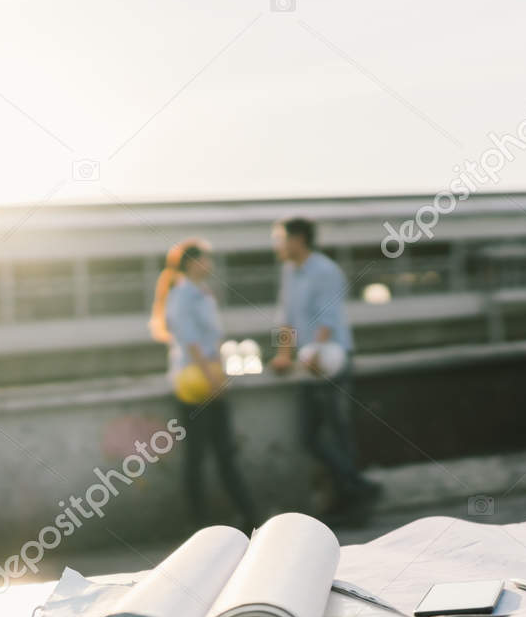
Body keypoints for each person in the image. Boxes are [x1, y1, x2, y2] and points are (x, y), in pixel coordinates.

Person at [269, 217, 380, 525]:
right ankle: (360, 488)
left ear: (299, 239)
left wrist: (314, 351)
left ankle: (352, 504)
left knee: (338, 432)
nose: (277, 244)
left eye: (280, 238)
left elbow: (328, 319)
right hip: (308, 364)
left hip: (329, 360)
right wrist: (283, 355)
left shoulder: (325, 270)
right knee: (308, 435)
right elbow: (286, 319)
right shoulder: (289, 272)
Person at [150, 238, 259, 528]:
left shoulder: (201, 293)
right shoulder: (183, 295)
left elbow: (211, 339)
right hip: (197, 382)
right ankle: (200, 523)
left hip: (208, 378)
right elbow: (191, 341)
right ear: (191, 264)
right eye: (205, 259)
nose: (210, 264)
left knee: (221, 452)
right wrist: (214, 378)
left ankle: (247, 517)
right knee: (199, 455)